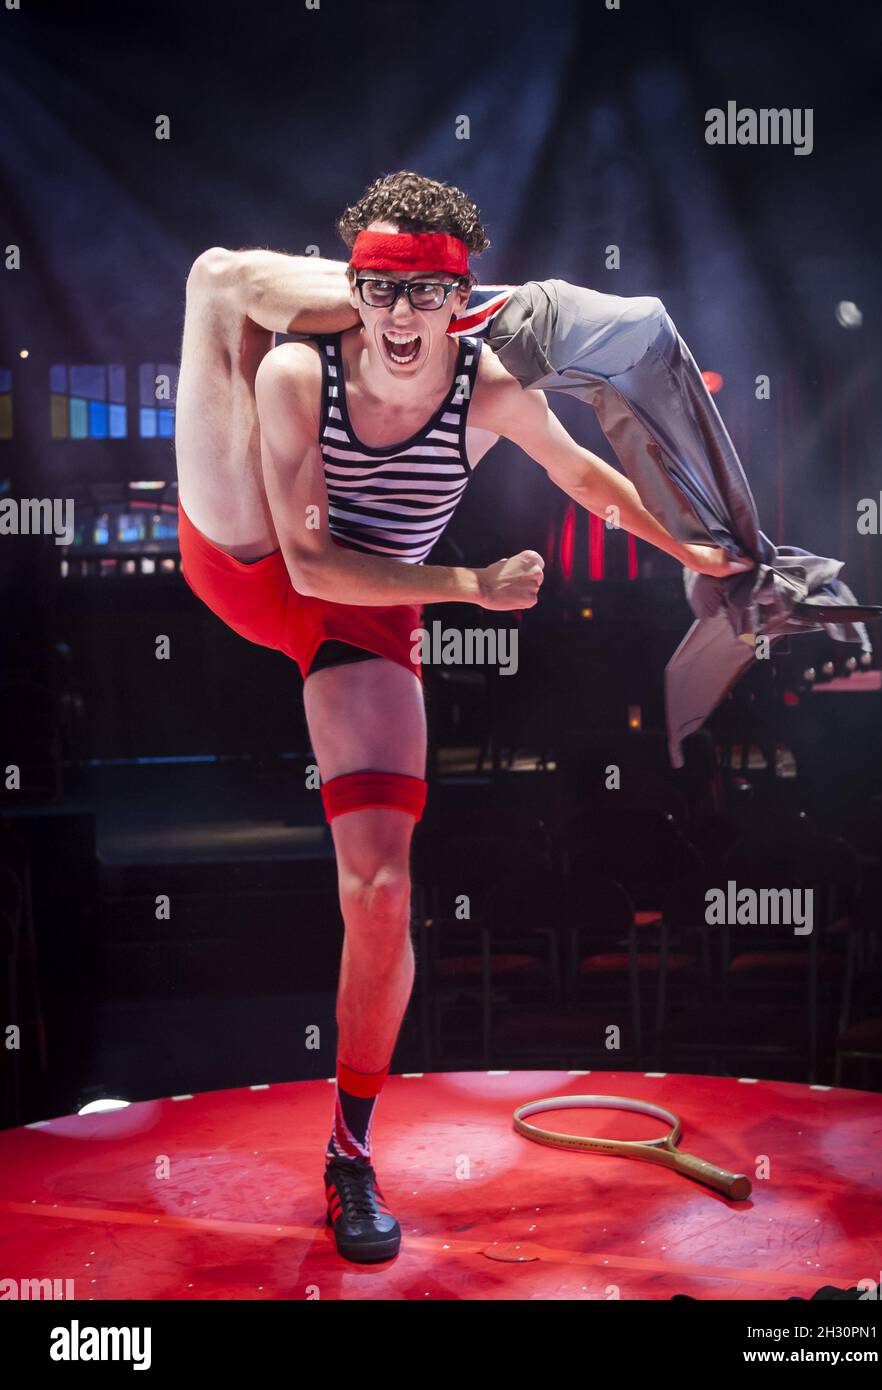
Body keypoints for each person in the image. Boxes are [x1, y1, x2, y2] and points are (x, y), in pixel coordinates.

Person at [174, 170, 750, 1263]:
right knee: (214, 281)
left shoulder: (486, 390)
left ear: (459, 299)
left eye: (425, 294)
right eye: (378, 291)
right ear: (351, 293)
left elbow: (587, 478)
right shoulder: (302, 368)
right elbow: (309, 560)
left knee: (383, 891)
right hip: (258, 561)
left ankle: (349, 1150)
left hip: (368, 620)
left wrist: (696, 555)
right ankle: (258, 281)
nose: (397, 318)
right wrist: (467, 587)